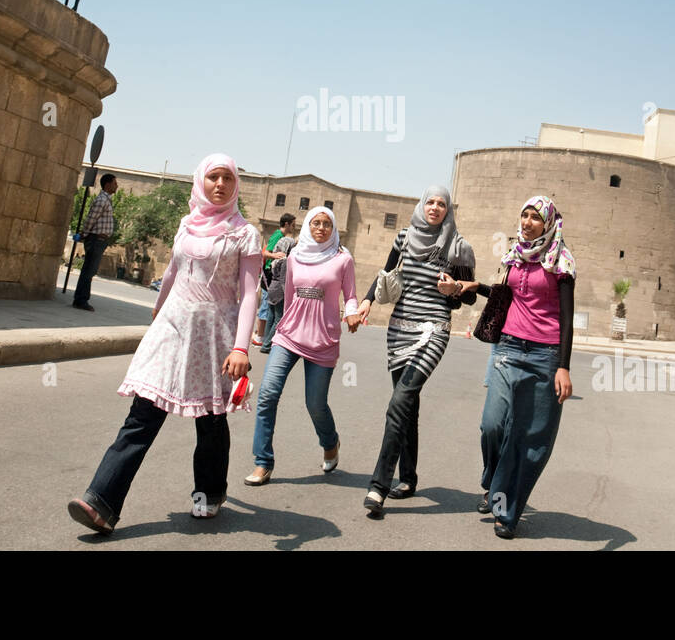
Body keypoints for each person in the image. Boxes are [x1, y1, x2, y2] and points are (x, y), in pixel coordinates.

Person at [67, 154, 262, 533]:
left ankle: (209, 493)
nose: (219, 184)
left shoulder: (243, 233)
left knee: (210, 421)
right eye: (212, 177)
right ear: (200, 182)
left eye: (227, 178)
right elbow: (172, 272)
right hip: (170, 332)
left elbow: (250, 293)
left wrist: (241, 348)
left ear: (235, 184)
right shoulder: (187, 225)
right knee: (143, 415)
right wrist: (156, 318)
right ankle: (101, 502)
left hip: (213, 338)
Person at [350, 185, 476, 516]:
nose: (435, 207)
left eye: (442, 204)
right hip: (399, 329)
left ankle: (378, 486)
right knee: (409, 406)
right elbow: (386, 273)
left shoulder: (458, 246)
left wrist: (455, 289)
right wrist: (366, 301)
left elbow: (469, 297)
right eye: (430, 202)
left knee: (399, 402)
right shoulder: (404, 237)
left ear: (449, 210)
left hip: (435, 330)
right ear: (422, 206)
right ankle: (407, 478)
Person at [457, 196, 576, 539]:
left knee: (529, 437)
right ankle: (492, 479)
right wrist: (474, 286)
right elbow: (504, 295)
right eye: (523, 215)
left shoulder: (561, 260)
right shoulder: (515, 255)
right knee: (492, 425)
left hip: (545, 354)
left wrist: (563, 366)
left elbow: (566, 318)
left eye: (535, 217)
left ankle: (507, 510)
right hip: (507, 347)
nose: (526, 222)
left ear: (549, 223)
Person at [246, 207, 360, 485]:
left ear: (333, 230)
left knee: (315, 404)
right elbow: (289, 296)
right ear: (308, 226)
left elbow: (351, 296)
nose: (321, 228)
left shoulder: (342, 259)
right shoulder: (295, 256)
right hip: (289, 336)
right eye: (316, 223)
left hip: (323, 341)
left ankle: (330, 442)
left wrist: (353, 312)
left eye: (326, 224)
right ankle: (263, 462)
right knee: (267, 395)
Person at [71, 173, 118, 312]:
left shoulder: (106, 200)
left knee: (90, 270)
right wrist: (84, 234)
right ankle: (81, 300)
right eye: (115, 183)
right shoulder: (102, 200)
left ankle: (81, 298)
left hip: (100, 240)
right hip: (96, 239)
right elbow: (91, 219)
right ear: (107, 184)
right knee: (88, 270)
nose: (117, 186)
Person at [253, 214, 295, 346]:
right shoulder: (278, 236)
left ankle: (263, 337)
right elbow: (265, 252)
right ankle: (260, 337)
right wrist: (274, 255)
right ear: (287, 224)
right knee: (267, 307)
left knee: (269, 309)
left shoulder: (281, 237)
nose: (294, 227)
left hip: (272, 276)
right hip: (269, 276)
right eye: (293, 224)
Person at [261, 230, 298, 353]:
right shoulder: (286, 261)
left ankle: (265, 343)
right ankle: (267, 344)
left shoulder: (276, 260)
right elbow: (284, 280)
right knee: (278, 318)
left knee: (270, 317)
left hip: (272, 289)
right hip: (279, 292)